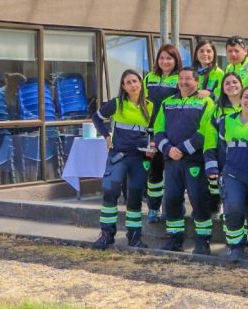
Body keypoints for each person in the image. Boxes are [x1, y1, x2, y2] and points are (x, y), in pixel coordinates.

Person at [205, 85, 248, 262]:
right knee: (233, 208)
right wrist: (218, 170)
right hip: (232, 175)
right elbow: (219, 148)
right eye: (246, 97)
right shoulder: (226, 120)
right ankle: (236, 247)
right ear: (240, 99)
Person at [153, 66, 215, 254]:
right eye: (181, 78)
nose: (184, 82)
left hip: (194, 160)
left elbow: (205, 131)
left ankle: (203, 241)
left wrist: (182, 149)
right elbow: (158, 130)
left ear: (197, 81)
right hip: (171, 160)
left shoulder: (206, 102)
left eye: (188, 78)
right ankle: (175, 238)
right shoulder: (167, 102)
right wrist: (168, 149)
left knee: (198, 200)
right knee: (171, 199)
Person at [90, 69, 154, 250]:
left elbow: (154, 131)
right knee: (110, 190)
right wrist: (106, 136)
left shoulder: (150, 106)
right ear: (124, 87)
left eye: (135, 81)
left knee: (135, 196)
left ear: (141, 83)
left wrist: (153, 147)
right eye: (129, 82)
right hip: (119, 154)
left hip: (139, 156)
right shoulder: (117, 103)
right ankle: (106, 235)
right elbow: (96, 118)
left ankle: (134, 237)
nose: (133, 85)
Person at [144, 44, 181, 223]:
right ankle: (153, 207)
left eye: (169, 58)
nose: (165, 61)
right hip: (151, 132)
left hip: (172, 132)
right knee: (155, 171)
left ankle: (172, 208)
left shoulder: (180, 79)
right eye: (162, 58)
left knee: (173, 173)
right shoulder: (149, 78)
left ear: (176, 60)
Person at [204, 72, 243, 217]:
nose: (231, 85)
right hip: (224, 162)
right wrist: (211, 163)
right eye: (227, 83)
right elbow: (210, 139)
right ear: (222, 88)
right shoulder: (216, 110)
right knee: (225, 197)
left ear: (241, 84)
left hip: (247, 163)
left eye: (235, 82)